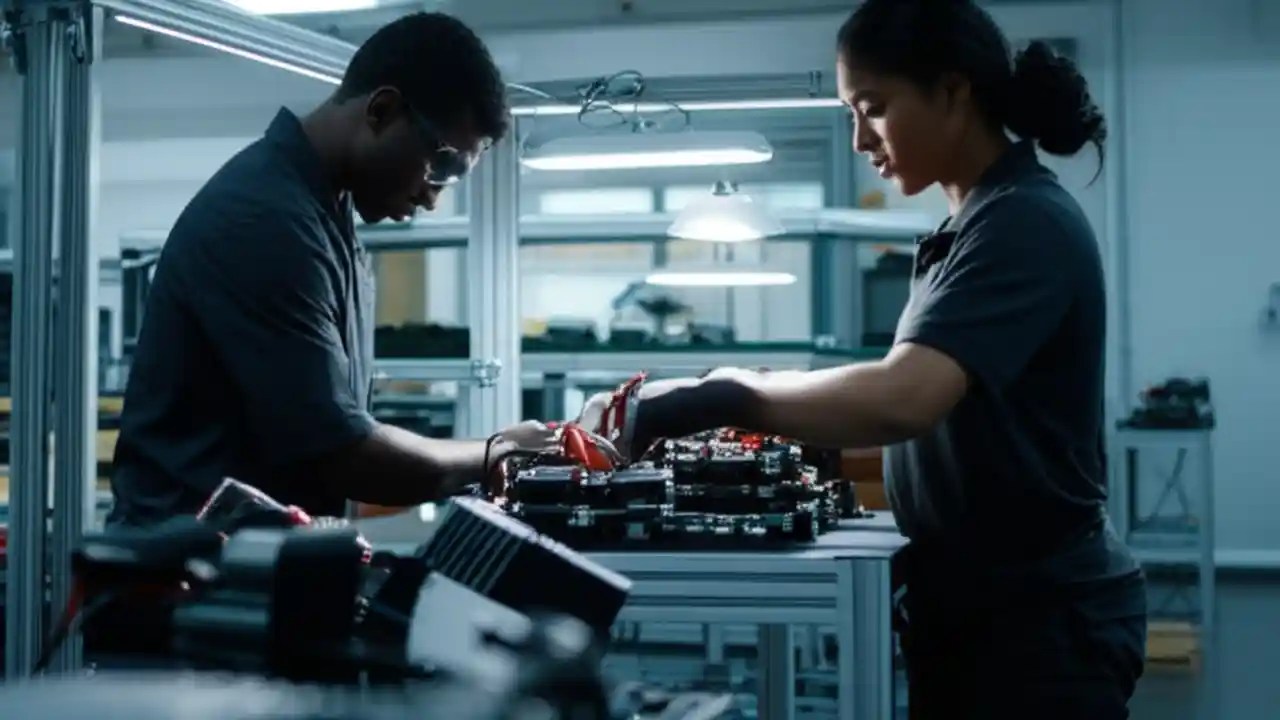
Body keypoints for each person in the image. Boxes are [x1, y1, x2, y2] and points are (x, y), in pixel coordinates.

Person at [581, 1, 1147, 717]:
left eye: (872, 108)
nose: (858, 139)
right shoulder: (972, 226)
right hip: (984, 613)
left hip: (1041, 628)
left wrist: (720, 393)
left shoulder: (1021, 223)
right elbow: (945, 422)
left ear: (952, 90)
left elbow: (901, 398)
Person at [108, 12, 557, 528]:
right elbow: (344, 454)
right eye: (442, 165)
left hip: (255, 567)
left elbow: (335, 447)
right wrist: (495, 452)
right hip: (181, 583)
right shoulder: (266, 222)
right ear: (382, 110)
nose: (433, 197)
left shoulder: (325, 218)